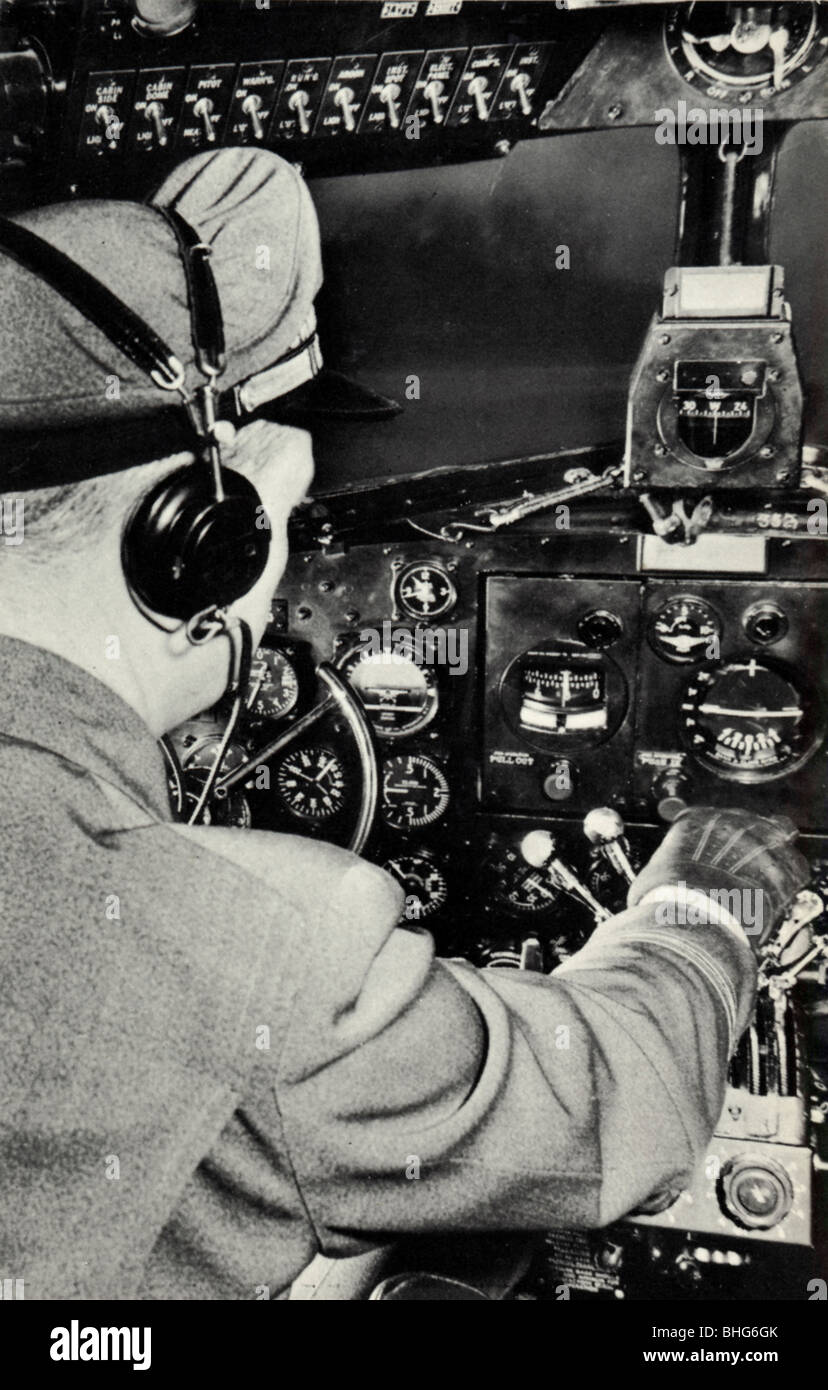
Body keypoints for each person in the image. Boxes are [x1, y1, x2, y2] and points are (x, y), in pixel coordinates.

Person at [0, 147, 809, 1300]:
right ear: (198, 546)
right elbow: (614, 1109)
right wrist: (697, 906)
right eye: (276, 520)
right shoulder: (260, 952)